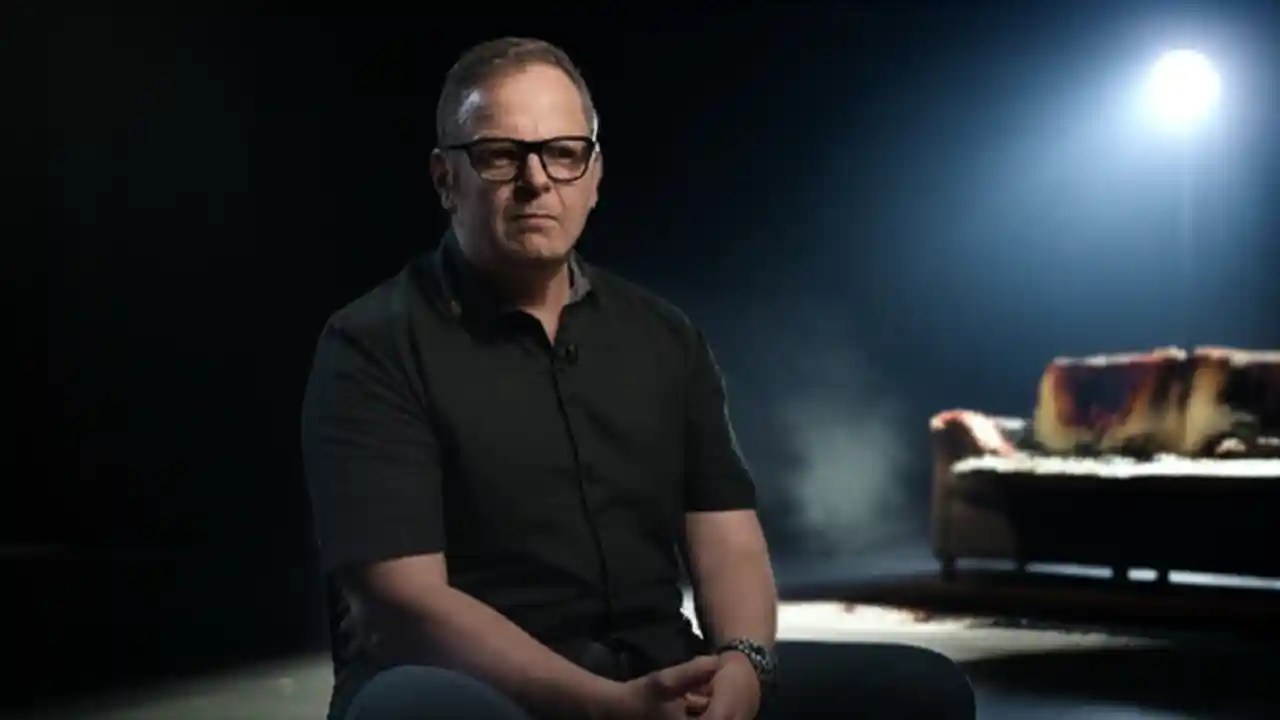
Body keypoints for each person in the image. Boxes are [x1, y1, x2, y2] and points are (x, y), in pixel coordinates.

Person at [301, 36, 975, 720]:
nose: (537, 181)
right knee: (422, 713)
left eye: (563, 153)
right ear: (447, 179)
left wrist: (745, 667)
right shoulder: (371, 345)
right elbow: (402, 607)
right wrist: (604, 707)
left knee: (924, 692)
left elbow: (728, 539)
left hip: (658, 678)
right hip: (481, 691)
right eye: (501, 155)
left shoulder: (663, 335)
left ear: (594, 177)